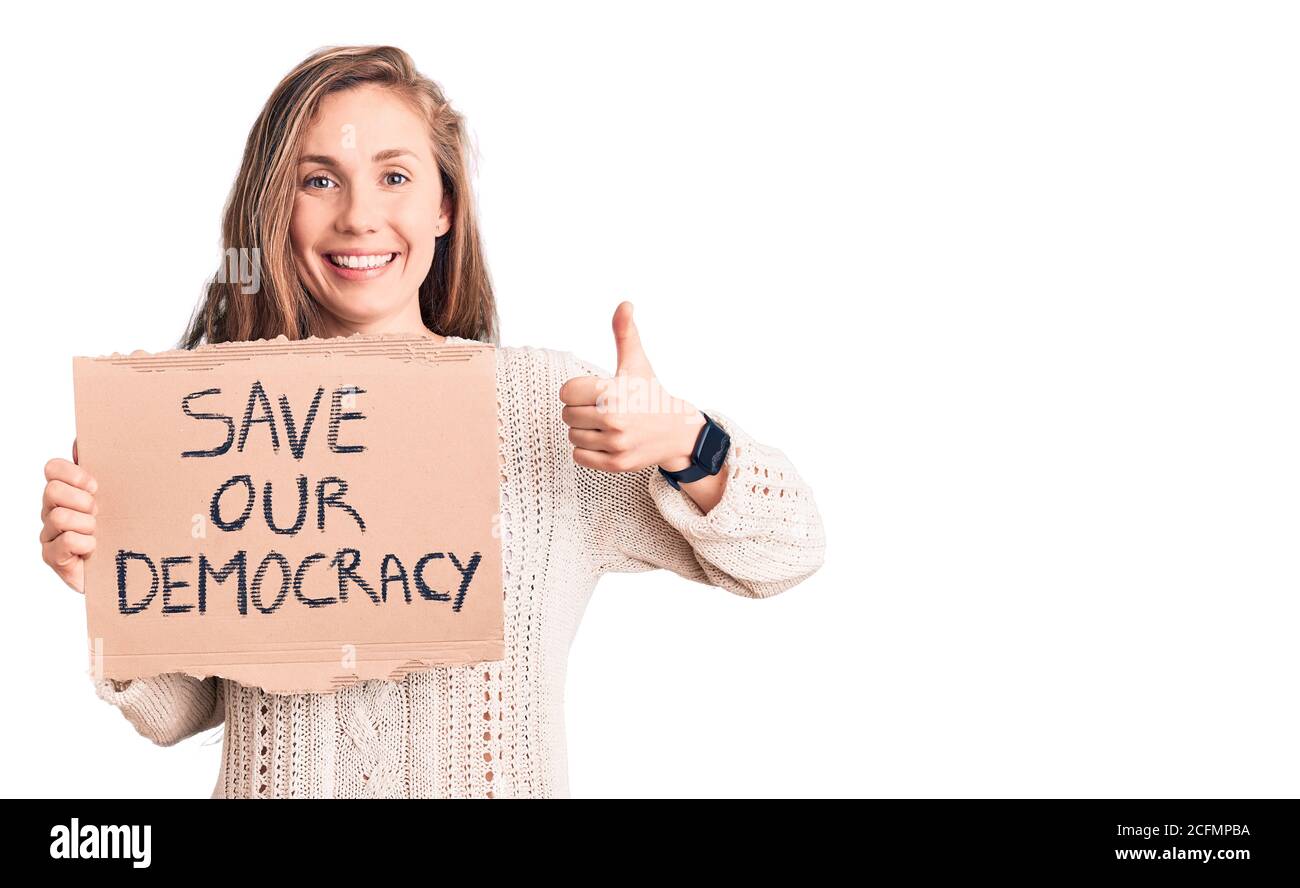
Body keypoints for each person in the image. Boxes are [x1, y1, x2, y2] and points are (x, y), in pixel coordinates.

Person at [39, 45, 826, 798]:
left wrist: (690, 444)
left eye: (394, 177)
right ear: (277, 206)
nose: (359, 217)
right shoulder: (217, 424)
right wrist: (105, 580)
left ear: (444, 205)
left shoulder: (544, 407)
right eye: (320, 179)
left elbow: (788, 553)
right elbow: (179, 711)